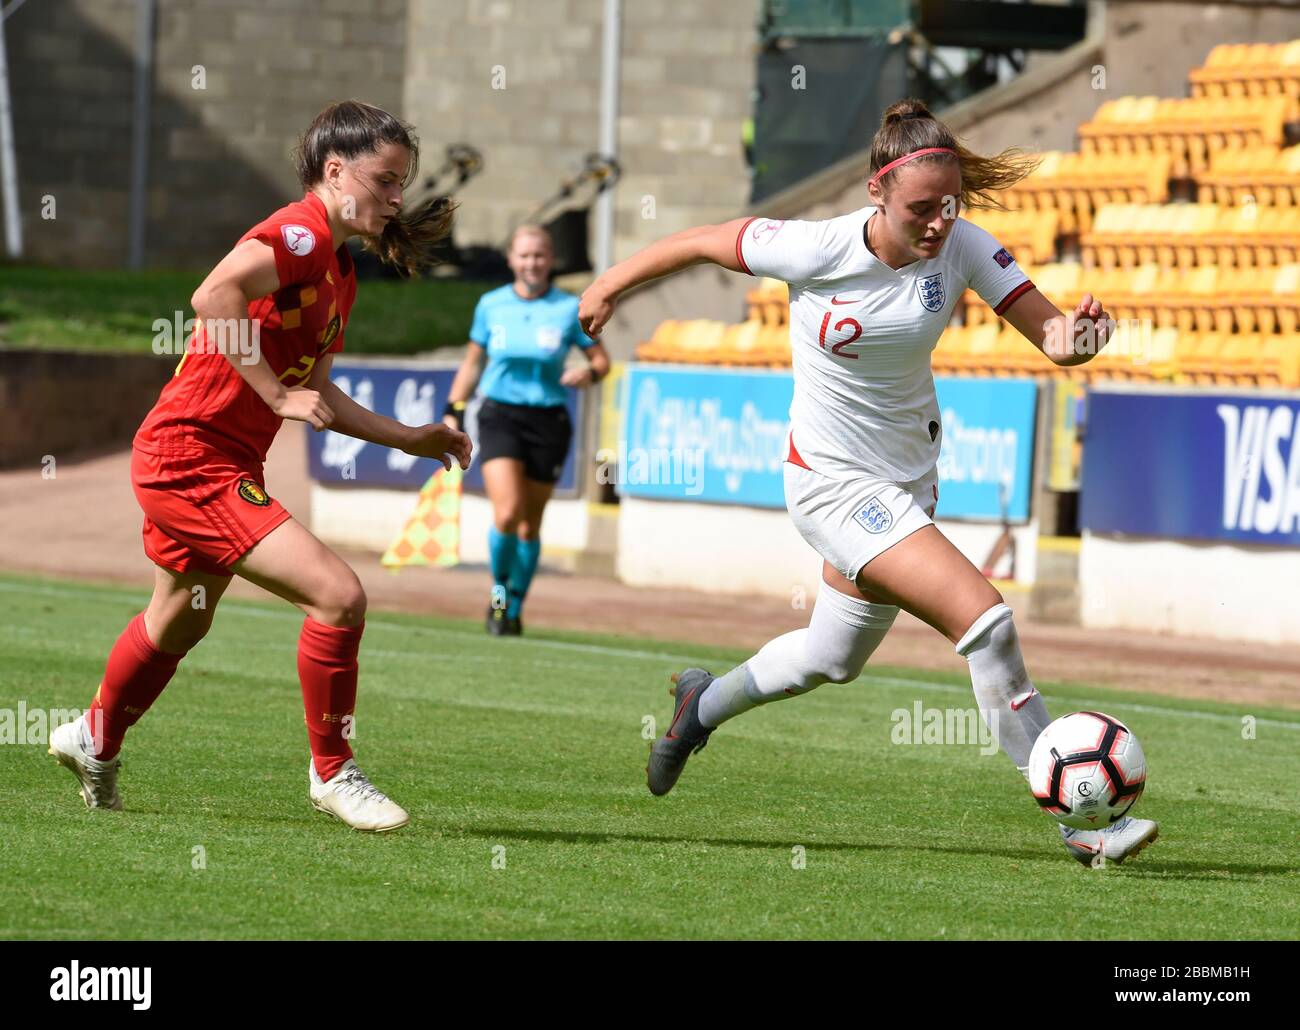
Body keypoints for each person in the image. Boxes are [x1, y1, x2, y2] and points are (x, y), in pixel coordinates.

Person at [579, 98, 1159, 868]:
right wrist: (609, 284)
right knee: (987, 625)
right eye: (923, 208)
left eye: (950, 206)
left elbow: (1054, 338)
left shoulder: (963, 246)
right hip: (830, 484)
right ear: (876, 194)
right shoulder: (812, 248)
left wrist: (1084, 336)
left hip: (907, 482)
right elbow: (701, 242)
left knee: (830, 657)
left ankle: (700, 704)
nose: (939, 223)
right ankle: (1079, 822)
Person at [47, 100, 472, 832]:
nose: (397, 198)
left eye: (404, 183)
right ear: (335, 172)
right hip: (190, 458)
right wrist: (274, 392)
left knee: (177, 621)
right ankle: (333, 773)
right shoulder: (303, 230)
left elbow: (320, 392)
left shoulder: (339, 272)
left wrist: (409, 439)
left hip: (220, 458)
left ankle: (93, 738)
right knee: (339, 596)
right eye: (386, 180)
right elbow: (212, 295)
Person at [443, 225, 610, 636]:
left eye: (539, 256)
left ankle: (516, 606)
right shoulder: (491, 305)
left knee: (529, 525)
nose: (532, 263)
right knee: (506, 512)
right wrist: (453, 410)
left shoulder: (569, 308)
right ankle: (499, 596)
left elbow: (602, 361)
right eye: (524, 255)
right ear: (511, 259)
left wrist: (587, 373)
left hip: (549, 421)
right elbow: (472, 364)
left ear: (551, 260)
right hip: (499, 415)